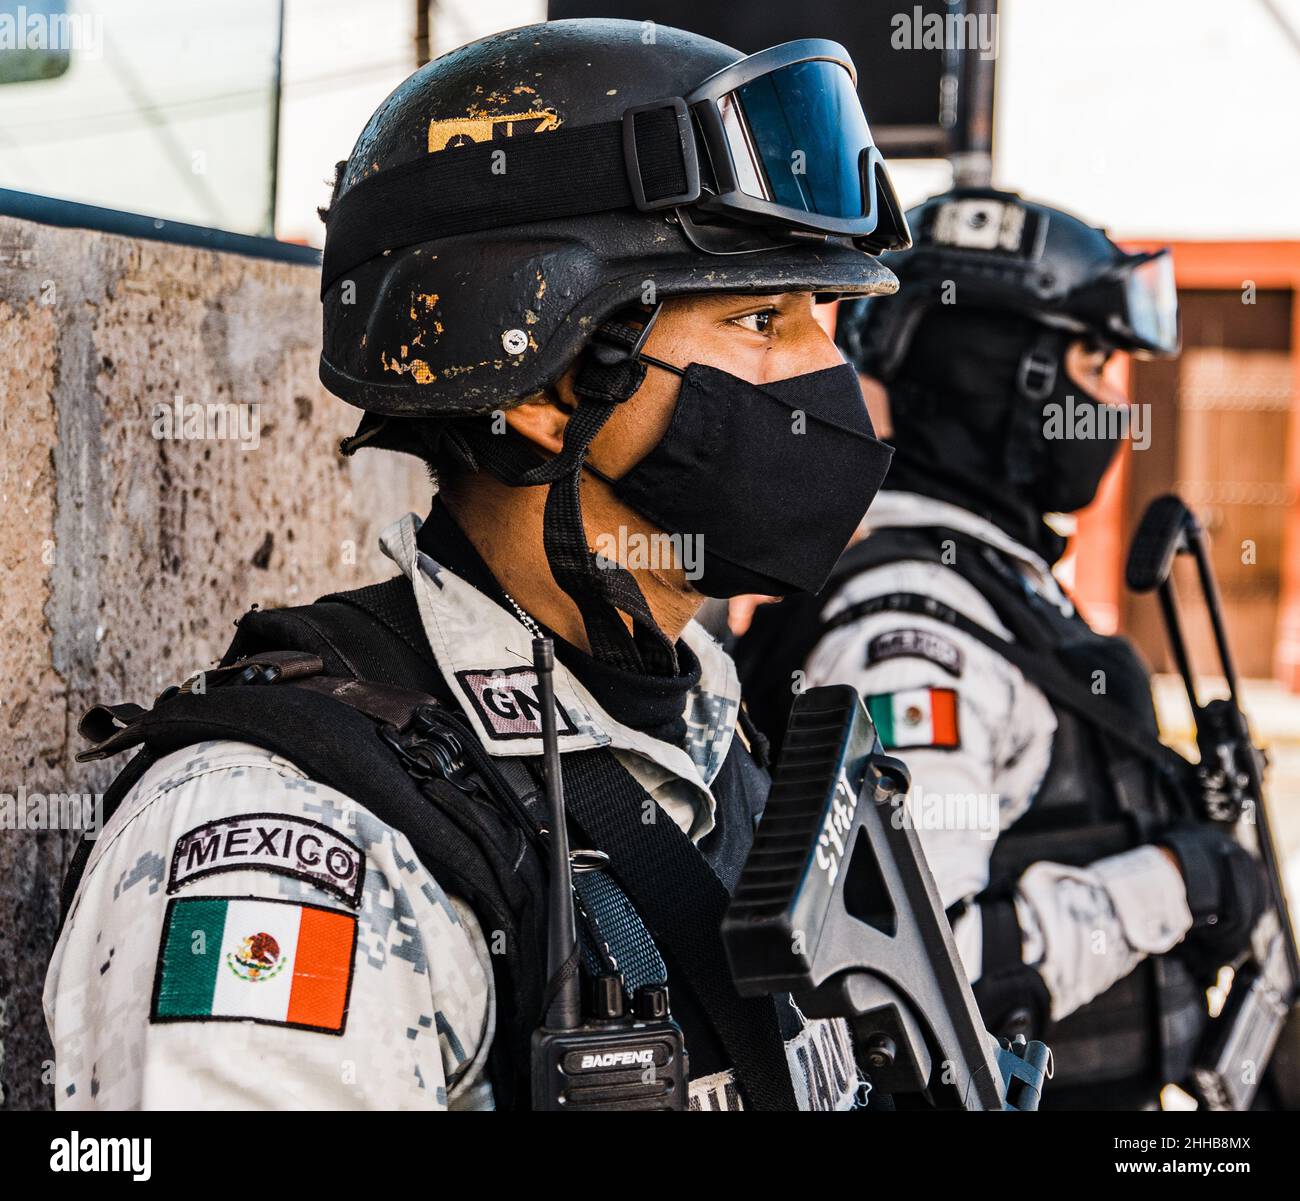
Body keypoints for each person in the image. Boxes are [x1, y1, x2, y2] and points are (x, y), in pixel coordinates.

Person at [43, 19, 913, 1111]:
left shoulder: (716, 738)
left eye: (829, 320)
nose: (827, 379)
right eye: (759, 319)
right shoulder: (299, 830)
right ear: (549, 389)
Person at [736, 187, 1267, 1108]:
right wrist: (1174, 884)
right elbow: (914, 984)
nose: (1114, 402)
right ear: (1009, 376)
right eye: (1094, 362)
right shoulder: (914, 628)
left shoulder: (1000, 591)